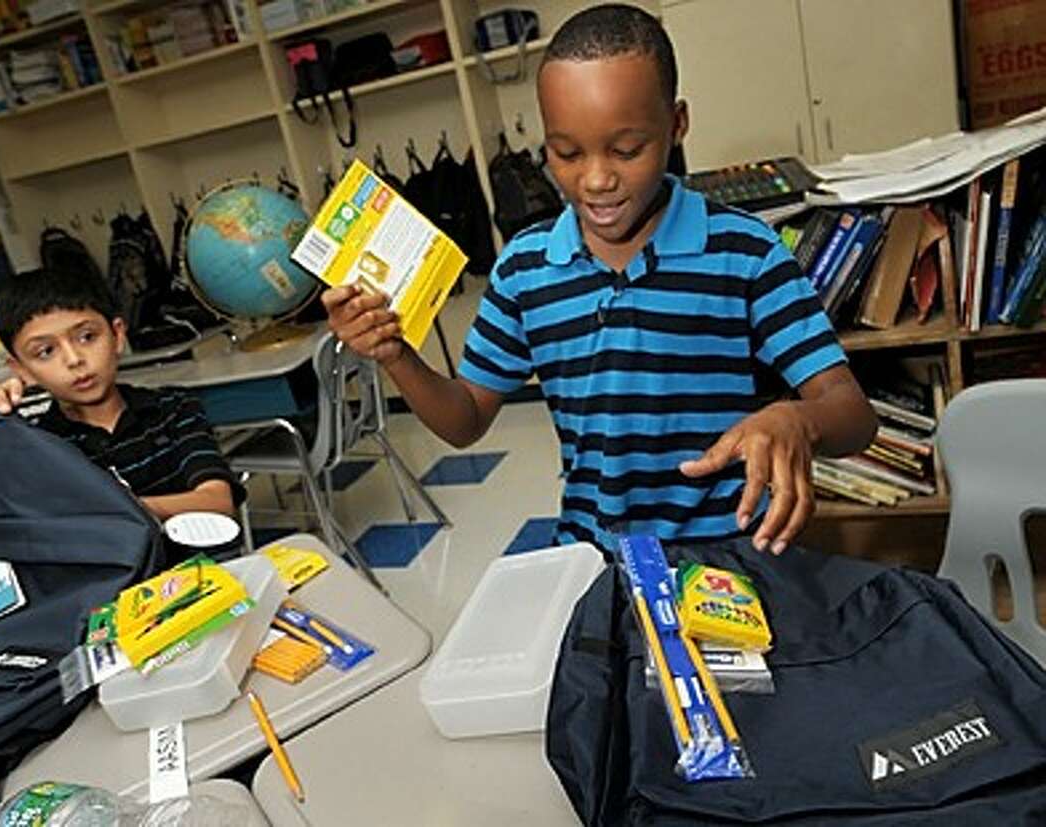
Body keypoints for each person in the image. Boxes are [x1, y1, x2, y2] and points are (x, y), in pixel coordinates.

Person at [322, 4, 877, 556]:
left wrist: (796, 419)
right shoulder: (525, 269)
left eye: (627, 150)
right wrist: (395, 354)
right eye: (566, 153)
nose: (595, 180)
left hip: (726, 554)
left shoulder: (745, 251)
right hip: (598, 554)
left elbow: (853, 415)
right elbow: (465, 419)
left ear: (677, 124)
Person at [0, 267, 240, 653]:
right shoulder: (25, 445)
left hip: (194, 591)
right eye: (45, 351)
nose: (74, 359)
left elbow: (217, 502)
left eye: (87, 336)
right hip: (88, 624)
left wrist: (101, 513)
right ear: (21, 369)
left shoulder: (173, 408)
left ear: (117, 334)